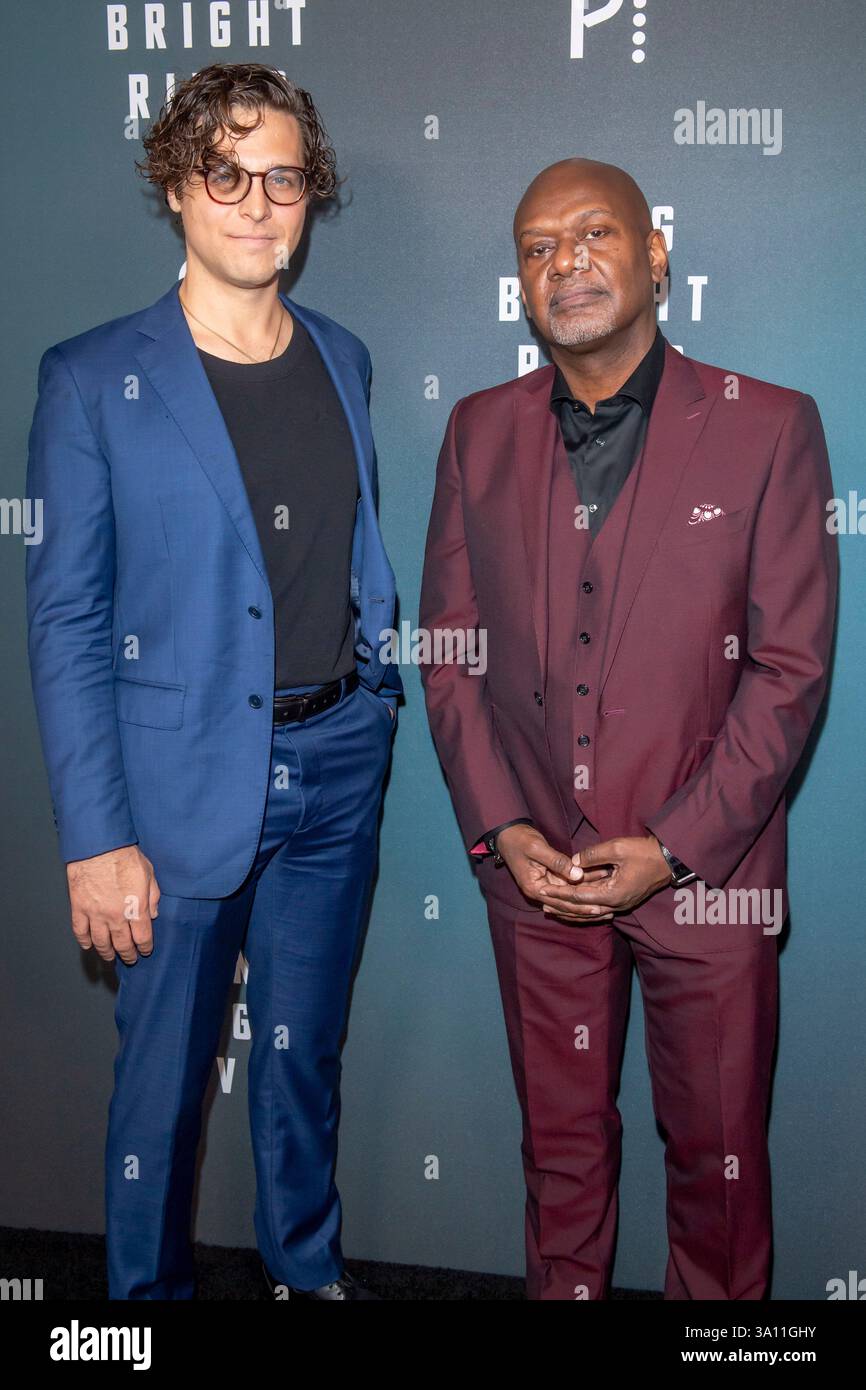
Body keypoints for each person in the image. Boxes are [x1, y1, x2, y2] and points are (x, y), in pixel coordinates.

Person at [419, 157, 838, 1300]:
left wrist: (671, 845)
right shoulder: (473, 433)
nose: (566, 262)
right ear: (518, 281)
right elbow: (448, 654)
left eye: (593, 233)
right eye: (538, 246)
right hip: (535, 878)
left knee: (717, 1167)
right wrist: (501, 829)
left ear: (654, 256)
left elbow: (789, 670)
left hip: (707, 881)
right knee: (557, 1161)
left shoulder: (768, 427)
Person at [25, 62, 400, 1301]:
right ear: (177, 188)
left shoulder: (343, 356)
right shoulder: (90, 376)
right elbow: (69, 618)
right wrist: (95, 836)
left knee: (302, 1064)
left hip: (335, 768)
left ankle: (308, 1274)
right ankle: (141, 1309)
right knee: (163, 1088)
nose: (254, 200)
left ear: (310, 196)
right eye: (223, 173)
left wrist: (377, 703)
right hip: (176, 786)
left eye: (281, 176)